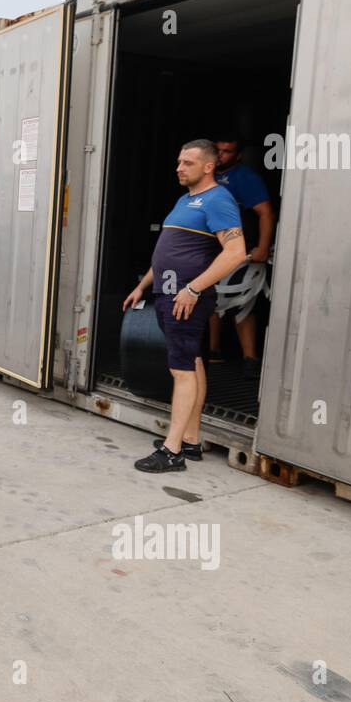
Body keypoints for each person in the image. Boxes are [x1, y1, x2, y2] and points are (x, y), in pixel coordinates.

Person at [123, 140, 247, 473]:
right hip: (169, 293)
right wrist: (142, 286)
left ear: (209, 166)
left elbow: (235, 252)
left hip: (185, 297)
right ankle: (191, 440)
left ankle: (172, 450)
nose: (179, 168)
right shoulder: (185, 200)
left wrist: (193, 288)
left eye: (188, 163)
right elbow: (168, 250)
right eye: (178, 161)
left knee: (181, 371)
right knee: (192, 362)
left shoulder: (219, 200)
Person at [208, 138, 275, 375]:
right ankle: (213, 351)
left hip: (240, 251)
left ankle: (250, 358)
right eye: (218, 150)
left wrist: (263, 248)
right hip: (209, 249)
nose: (221, 155)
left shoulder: (245, 178)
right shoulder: (204, 174)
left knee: (242, 302)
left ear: (238, 155)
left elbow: (265, 212)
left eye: (227, 151)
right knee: (211, 298)